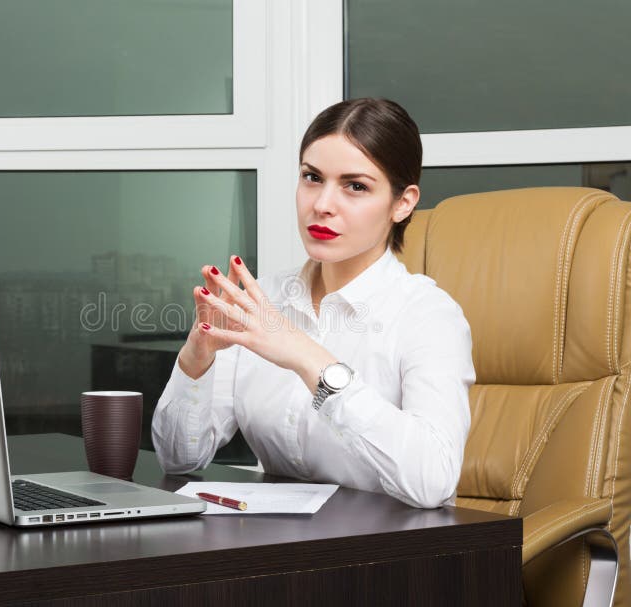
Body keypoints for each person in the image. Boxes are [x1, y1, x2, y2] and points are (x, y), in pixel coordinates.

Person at [152, 98, 476, 509]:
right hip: (274, 547)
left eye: (355, 186)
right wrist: (196, 362)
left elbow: (433, 481)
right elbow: (179, 459)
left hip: (389, 554)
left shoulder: (428, 315)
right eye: (311, 177)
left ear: (403, 202)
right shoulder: (261, 301)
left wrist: (310, 360)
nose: (322, 204)